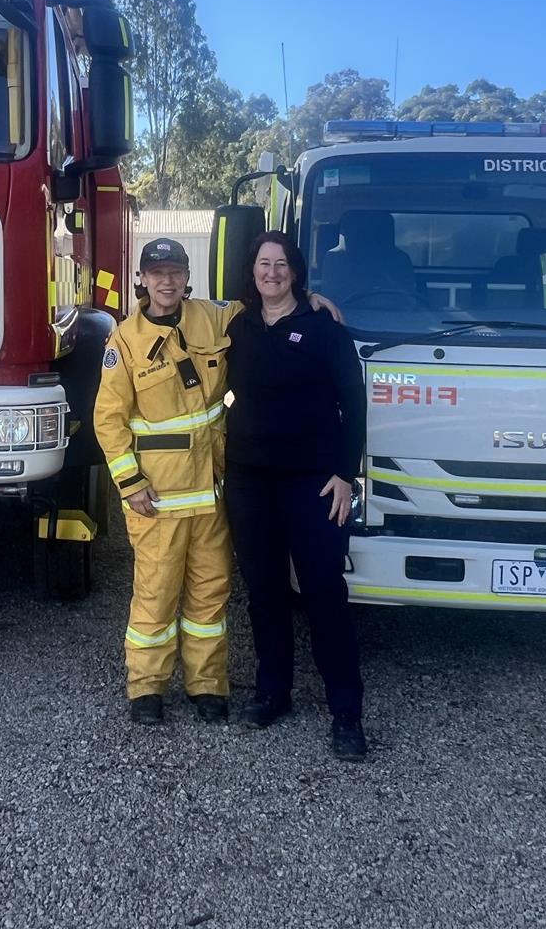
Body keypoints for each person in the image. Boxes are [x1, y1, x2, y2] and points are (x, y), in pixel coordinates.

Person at [224, 231, 369, 760]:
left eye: (281, 264)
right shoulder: (235, 327)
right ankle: (273, 692)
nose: (272, 272)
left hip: (313, 483)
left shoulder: (325, 328)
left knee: (324, 593)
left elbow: (354, 402)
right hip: (249, 481)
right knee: (264, 592)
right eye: (263, 263)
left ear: (296, 271)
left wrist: (345, 475)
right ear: (252, 271)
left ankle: (346, 713)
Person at [93, 238, 238, 726]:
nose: (167, 281)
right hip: (156, 499)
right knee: (155, 596)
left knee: (210, 595)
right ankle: (147, 688)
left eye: (175, 271)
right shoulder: (124, 341)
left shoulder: (213, 318)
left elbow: (267, 310)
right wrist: (131, 484)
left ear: (187, 276)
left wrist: (310, 300)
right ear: (142, 280)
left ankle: (207, 685)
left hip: (211, 496)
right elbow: (108, 420)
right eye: (157, 273)